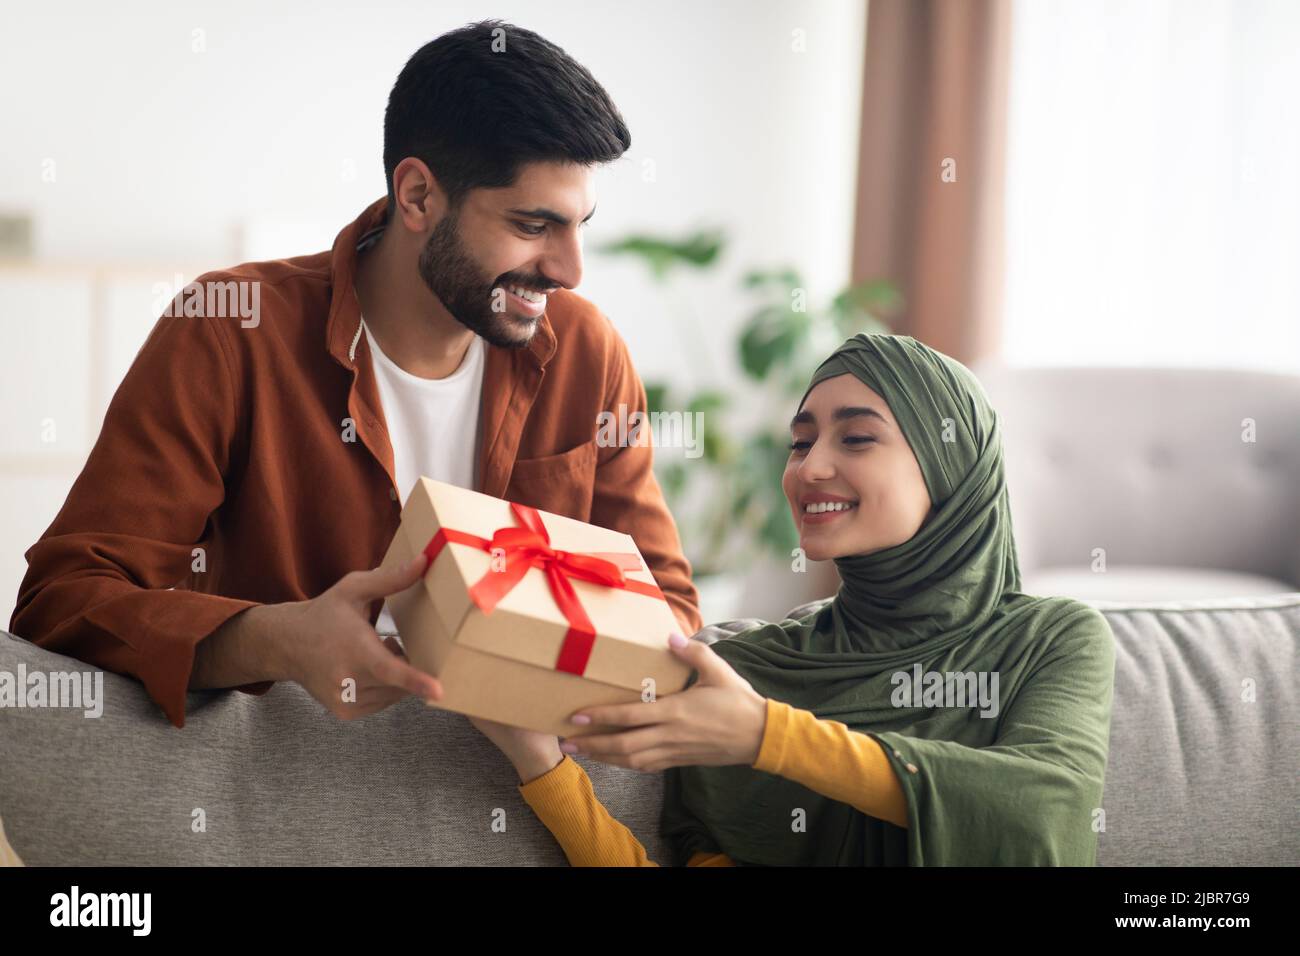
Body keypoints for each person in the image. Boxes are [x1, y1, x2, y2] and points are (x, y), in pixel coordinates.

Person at [8, 20, 700, 730]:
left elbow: (671, 616)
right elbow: (62, 600)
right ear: (418, 196)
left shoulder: (587, 353)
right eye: (533, 226)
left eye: (581, 225)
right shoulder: (228, 331)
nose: (571, 270)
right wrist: (276, 638)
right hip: (281, 774)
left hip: (506, 778)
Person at [470, 333, 1117, 866]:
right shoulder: (743, 672)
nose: (808, 469)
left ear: (952, 466)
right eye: (801, 442)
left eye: (856, 438)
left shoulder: (1051, 639)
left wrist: (766, 735)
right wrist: (541, 764)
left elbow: (1042, 813)